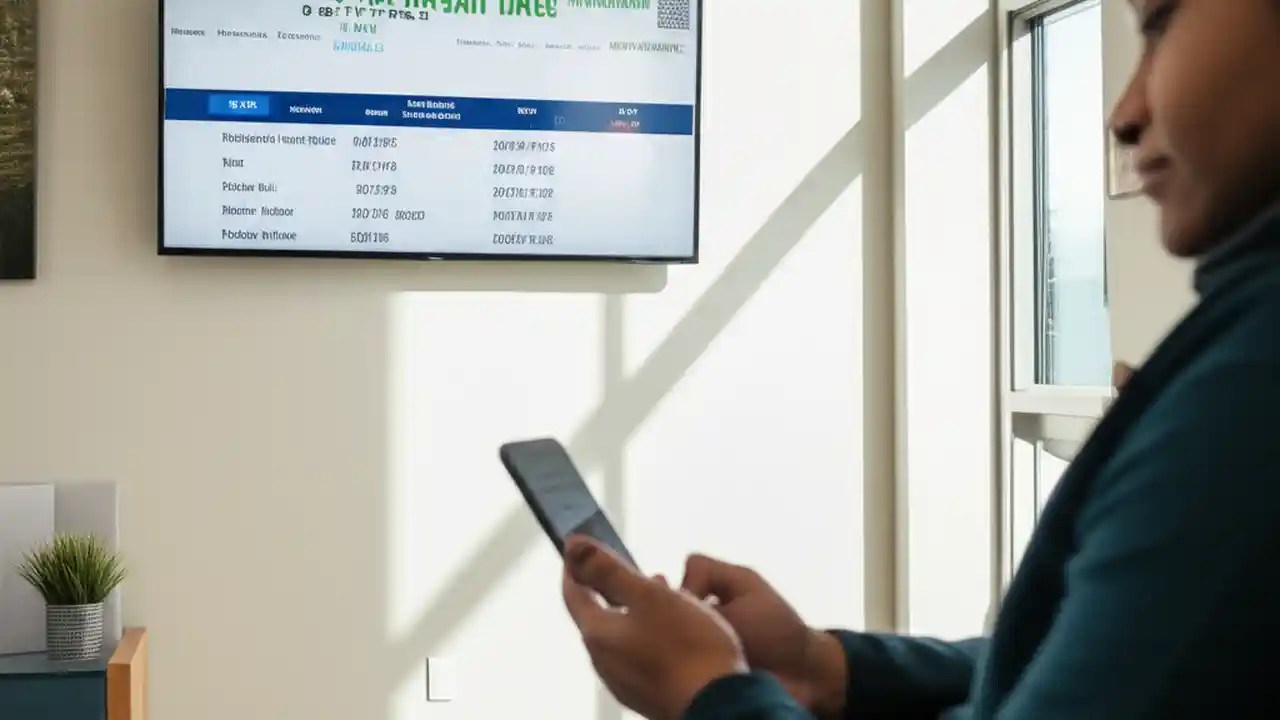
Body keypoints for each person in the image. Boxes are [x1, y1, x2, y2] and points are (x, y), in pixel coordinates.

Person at [559, 1, 1280, 718]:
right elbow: (1061, 666)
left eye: (1158, 24)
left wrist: (711, 693)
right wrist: (824, 668)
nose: (1123, 115)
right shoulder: (1236, 336)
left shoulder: (1249, 385)